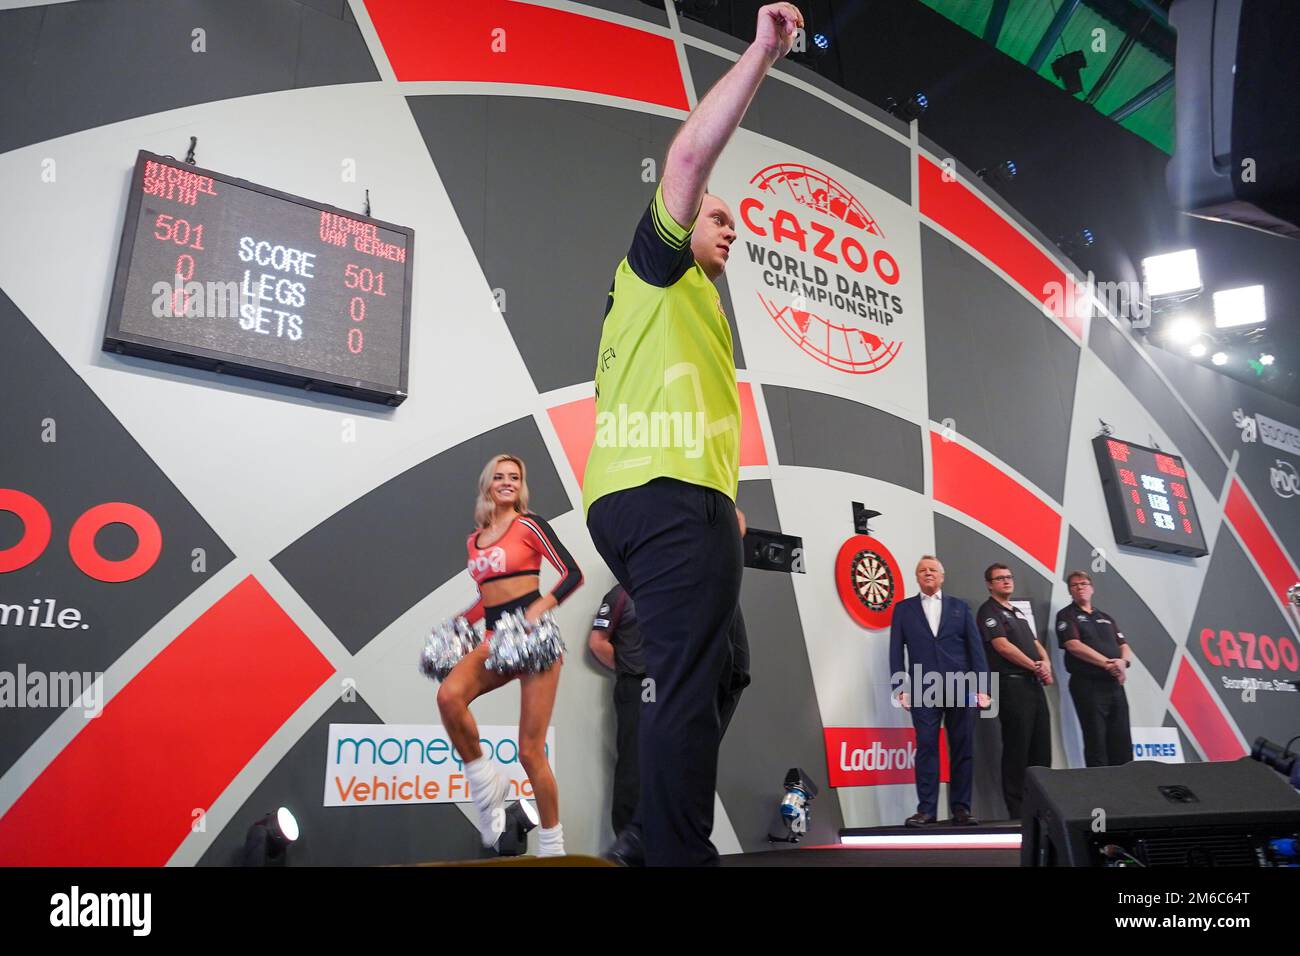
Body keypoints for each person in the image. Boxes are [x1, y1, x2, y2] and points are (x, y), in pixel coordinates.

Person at [583, 3, 803, 866]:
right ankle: (670, 851)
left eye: (733, 228)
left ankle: (656, 841)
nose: (732, 231)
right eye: (720, 219)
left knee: (715, 672)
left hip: (679, 501)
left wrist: (730, 502)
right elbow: (687, 156)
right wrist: (762, 52)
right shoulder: (656, 264)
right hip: (663, 498)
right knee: (681, 684)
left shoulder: (682, 303)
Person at [436, 454, 583, 856]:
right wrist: (459, 621)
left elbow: (573, 574)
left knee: (530, 751)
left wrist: (540, 607)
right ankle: (486, 780)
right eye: (499, 477)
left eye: (514, 477)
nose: (507, 482)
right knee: (449, 697)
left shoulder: (530, 525)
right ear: (488, 485)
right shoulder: (475, 538)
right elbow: (487, 599)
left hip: (534, 641)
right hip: (494, 640)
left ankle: (553, 845)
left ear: (521, 485)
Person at [591, 585, 753, 861]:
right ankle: (630, 841)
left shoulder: (680, 588)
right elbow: (598, 641)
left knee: (676, 760)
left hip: (673, 685)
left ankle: (658, 840)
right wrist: (630, 672)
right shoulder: (620, 594)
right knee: (635, 764)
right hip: (642, 684)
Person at [888, 555, 990, 827]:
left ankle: (961, 809)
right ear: (917, 578)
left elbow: (976, 649)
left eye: (933, 570)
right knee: (926, 747)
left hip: (962, 687)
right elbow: (896, 650)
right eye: (922, 570)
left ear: (942, 576)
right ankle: (926, 811)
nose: (928, 573)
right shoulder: (903, 609)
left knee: (962, 747)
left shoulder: (960, 607)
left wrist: (983, 688)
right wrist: (900, 687)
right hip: (922, 687)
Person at [976, 563, 1051, 819]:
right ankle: (1018, 813)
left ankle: (1043, 809)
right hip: (1010, 685)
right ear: (989, 584)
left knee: (1041, 750)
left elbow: (1034, 643)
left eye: (1009, 577)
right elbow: (1002, 646)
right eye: (1000, 578)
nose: (1006, 581)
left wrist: (1046, 664)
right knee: (1017, 749)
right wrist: (1035, 666)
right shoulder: (989, 611)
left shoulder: (1018, 611)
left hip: (1033, 685)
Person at [1055, 570, 1133, 768]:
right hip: (1087, 684)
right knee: (1096, 740)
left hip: (1114, 684)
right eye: (1074, 585)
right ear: (1070, 591)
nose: (1080, 587)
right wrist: (1109, 664)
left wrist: (1122, 663)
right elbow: (1074, 645)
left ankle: (1127, 787)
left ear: (1092, 588)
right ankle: (1102, 791)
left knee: (1121, 738)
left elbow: (1123, 645)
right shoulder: (1067, 615)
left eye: (1083, 583)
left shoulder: (1106, 617)